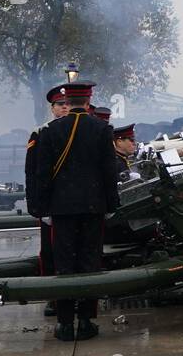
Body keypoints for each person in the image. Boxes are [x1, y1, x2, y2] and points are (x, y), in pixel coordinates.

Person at [32, 81, 120, 342]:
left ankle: (65, 323)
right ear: (88, 100)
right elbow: (109, 172)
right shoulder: (102, 129)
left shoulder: (50, 131)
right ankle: (85, 321)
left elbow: (42, 174)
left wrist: (42, 208)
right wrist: (111, 205)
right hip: (93, 206)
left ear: (67, 103)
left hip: (61, 208)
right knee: (90, 262)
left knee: (65, 264)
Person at [25, 85, 72, 317]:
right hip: (52, 202)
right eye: (60, 105)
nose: (64, 108)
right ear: (52, 108)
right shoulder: (41, 133)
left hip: (73, 199)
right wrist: (38, 206)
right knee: (50, 251)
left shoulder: (76, 130)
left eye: (67, 104)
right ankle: (54, 295)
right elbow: (32, 171)